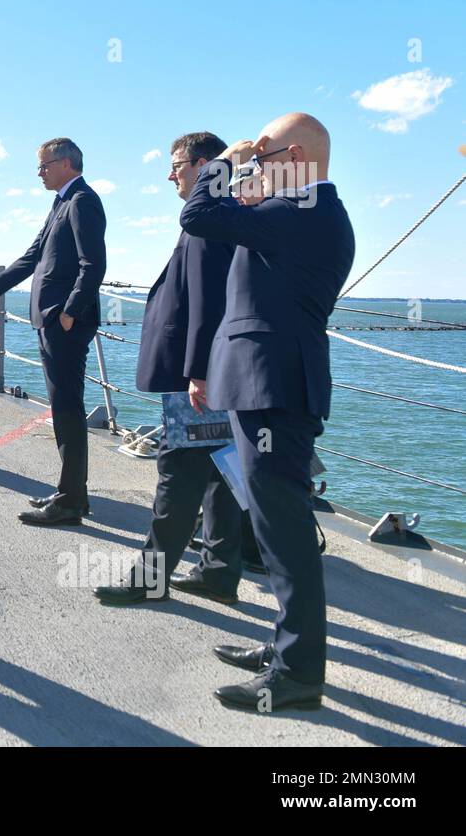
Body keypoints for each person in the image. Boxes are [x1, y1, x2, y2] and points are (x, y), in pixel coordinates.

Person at [178, 112, 354, 712]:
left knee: (285, 533)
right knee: (277, 530)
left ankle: (299, 672)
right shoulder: (305, 212)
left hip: (274, 390)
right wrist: (254, 175)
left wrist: (224, 161)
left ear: (296, 155)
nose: (254, 166)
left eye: (264, 155)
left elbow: (198, 215)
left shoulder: (302, 212)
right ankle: (286, 648)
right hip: (267, 384)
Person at [94, 132, 243, 606]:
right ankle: (219, 572)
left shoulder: (205, 219)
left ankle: (150, 579)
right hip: (214, 371)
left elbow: (207, 300)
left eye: (176, 164)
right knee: (221, 471)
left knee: (178, 473)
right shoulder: (229, 212)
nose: (170, 174)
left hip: (195, 377)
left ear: (203, 164)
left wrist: (199, 371)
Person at [0, 137, 106, 526]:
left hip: (63, 322)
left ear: (67, 164)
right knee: (63, 409)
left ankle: (71, 500)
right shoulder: (61, 203)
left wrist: (70, 313)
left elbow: (94, 266)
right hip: (52, 321)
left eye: (44, 165)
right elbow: (31, 258)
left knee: (68, 409)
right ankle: (72, 492)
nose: (38, 172)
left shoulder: (82, 201)